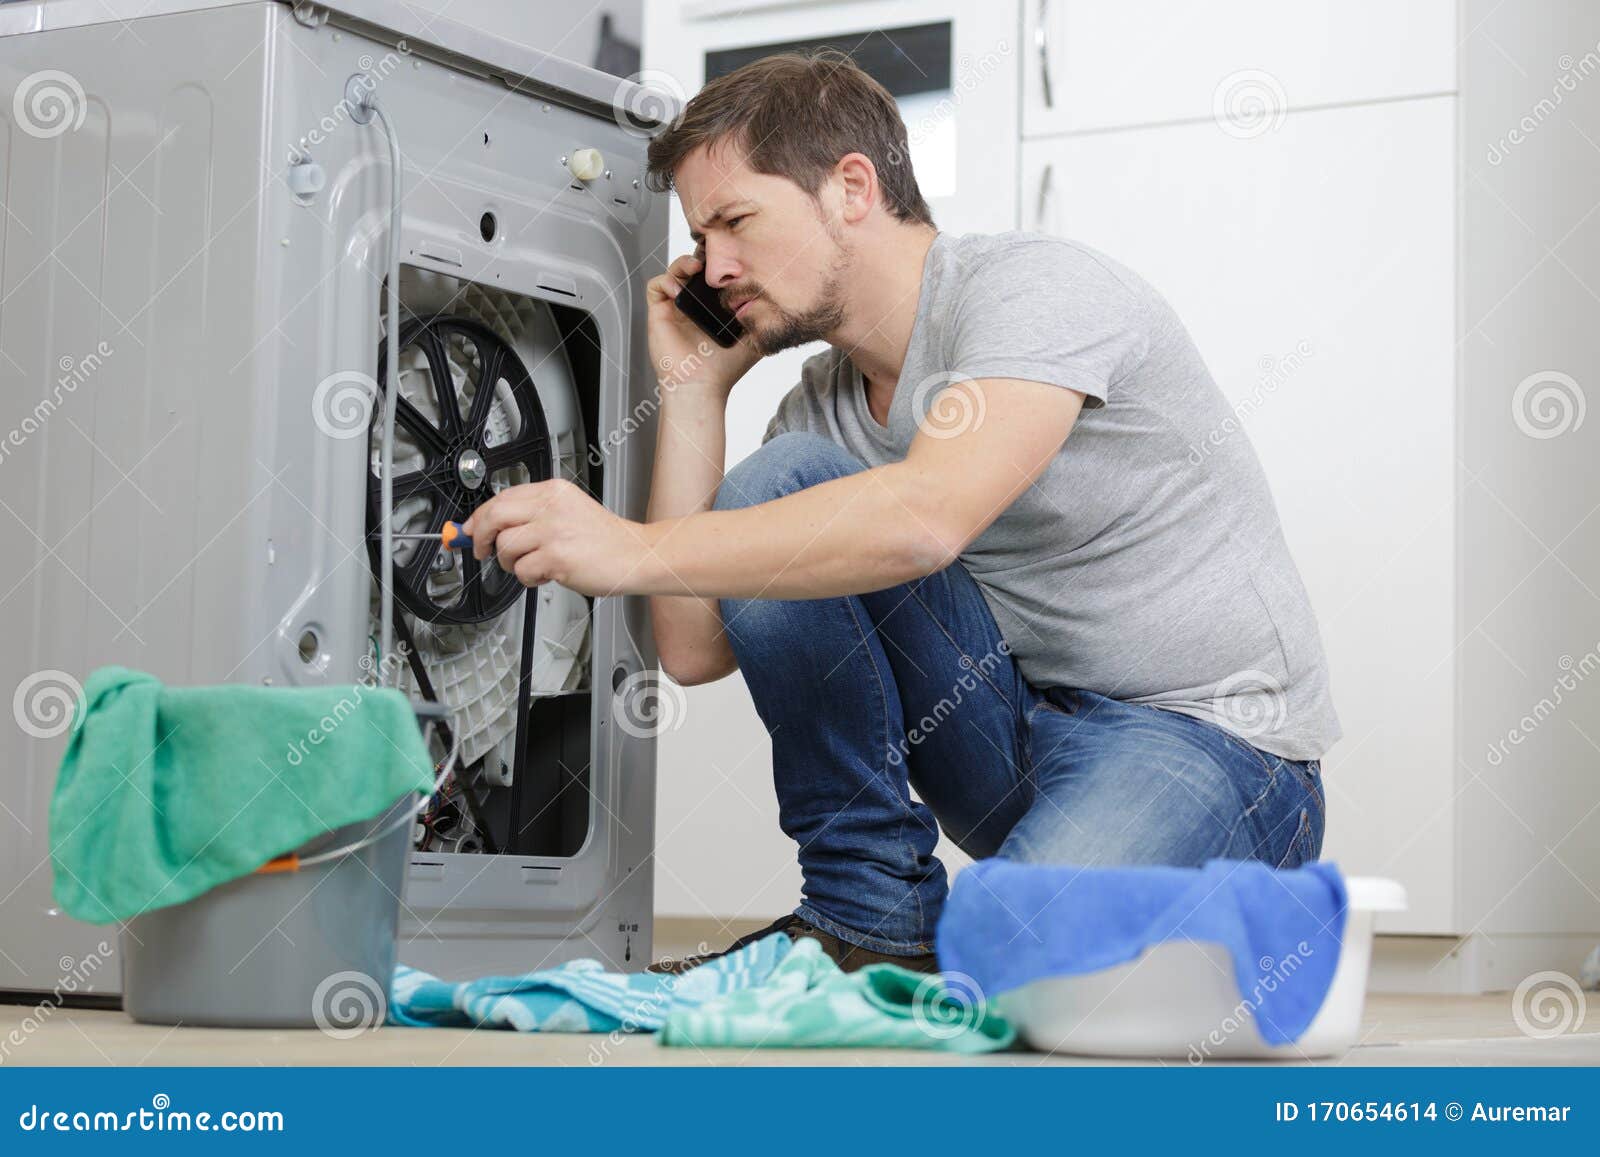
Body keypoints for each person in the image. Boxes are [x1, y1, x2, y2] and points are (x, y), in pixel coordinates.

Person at [463, 51, 1338, 974]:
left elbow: (927, 518)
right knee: (779, 486)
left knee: (1015, 954)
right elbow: (690, 646)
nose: (713, 267)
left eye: (735, 221)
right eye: (700, 235)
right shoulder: (824, 406)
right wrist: (692, 389)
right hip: (1016, 735)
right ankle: (867, 914)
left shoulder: (1037, 291)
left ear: (850, 188)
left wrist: (624, 546)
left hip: (1217, 748)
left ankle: (1222, 912)